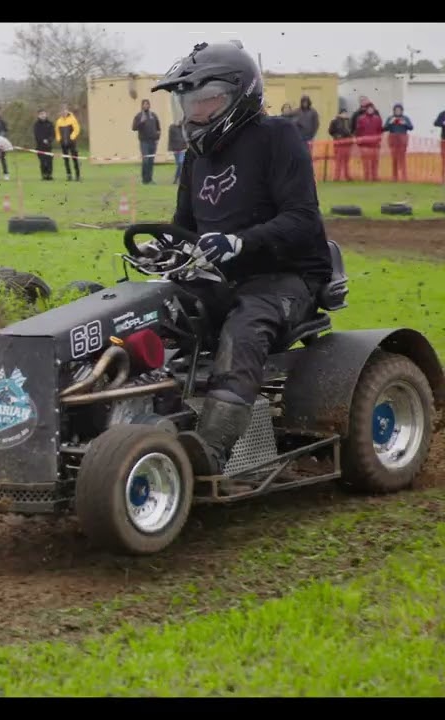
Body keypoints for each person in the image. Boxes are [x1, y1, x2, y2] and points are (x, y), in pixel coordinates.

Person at [148, 40, 333, 478]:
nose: (195, 113)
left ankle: (210, 453)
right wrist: (169, 250)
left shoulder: (278, 137)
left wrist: (240, 243)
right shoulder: (196, 158)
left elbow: (303, 219)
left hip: (287, 276)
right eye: (188, 103)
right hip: (220, 277)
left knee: (244, 328)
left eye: (206, 101)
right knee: (147, 315)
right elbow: (184, 226)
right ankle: (140, 422)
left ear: (239, 95)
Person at [132, 98, 162, 184]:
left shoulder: (153, 115)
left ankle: (150, 179)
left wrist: (157, 137)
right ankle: (144, 179)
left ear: (149, 105)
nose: (146, 106)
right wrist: (141, 122)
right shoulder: (138, 116)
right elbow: (134, 128)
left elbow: (158, 128)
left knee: (151, 161)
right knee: (145, 161)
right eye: (144, 104)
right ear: (141, 106)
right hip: (144, 142)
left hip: (153, 142)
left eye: (147, 104)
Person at [383, 103, 413, 182]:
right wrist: (390, 122)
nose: (398, 111)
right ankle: (394, 177)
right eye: (396, 110)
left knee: (402, 159)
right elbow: (384, 128)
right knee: (394, 159)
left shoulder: (405, 118)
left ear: (402, 111)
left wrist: (405, 123)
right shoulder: (390, 118)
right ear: (394, 111)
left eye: (399, 110)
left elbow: (411, 127)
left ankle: (404, 176)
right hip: (393, 141)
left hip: (402, 141)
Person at [54, 104, 81, 181]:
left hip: (72, 142)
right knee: (66, 160)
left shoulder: (72, 119)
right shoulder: (58, 121)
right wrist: (59, 139)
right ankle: (69, 175)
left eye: (64, 110)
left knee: (75, 159)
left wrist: (72, 137)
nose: (63, 112)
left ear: (67, 110)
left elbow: (77, 129)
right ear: (60, 112)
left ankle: (77, 175)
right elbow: (57, 132)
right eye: (62, 111)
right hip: (63, 143)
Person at [328, 108, 354, 181]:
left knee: (346, 161)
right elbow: (330, 131)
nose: (344, 114)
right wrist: (337, 136)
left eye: (345, 113)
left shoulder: (349, 121)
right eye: (343, 113)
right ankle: (336, 177)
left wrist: (351, 136)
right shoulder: (334, 121)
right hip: (339, 144)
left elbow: (352, 130)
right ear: (339, 114)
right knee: (338, 161)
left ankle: (347, 176)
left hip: (348, 143)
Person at [33, 109, 55, 180]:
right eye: (41, 114)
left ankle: (49, 175)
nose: (43, 115)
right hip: (40, 146)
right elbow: (36, 135)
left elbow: (53, 134)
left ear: (46, 114)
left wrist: (48, 140)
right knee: (42, 161)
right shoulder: (36, 125)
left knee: (49, 161)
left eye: (44, 114)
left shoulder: (50, 124)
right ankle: (44, 175)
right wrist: (42, 140)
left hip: (48, 146)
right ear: (38, 115)